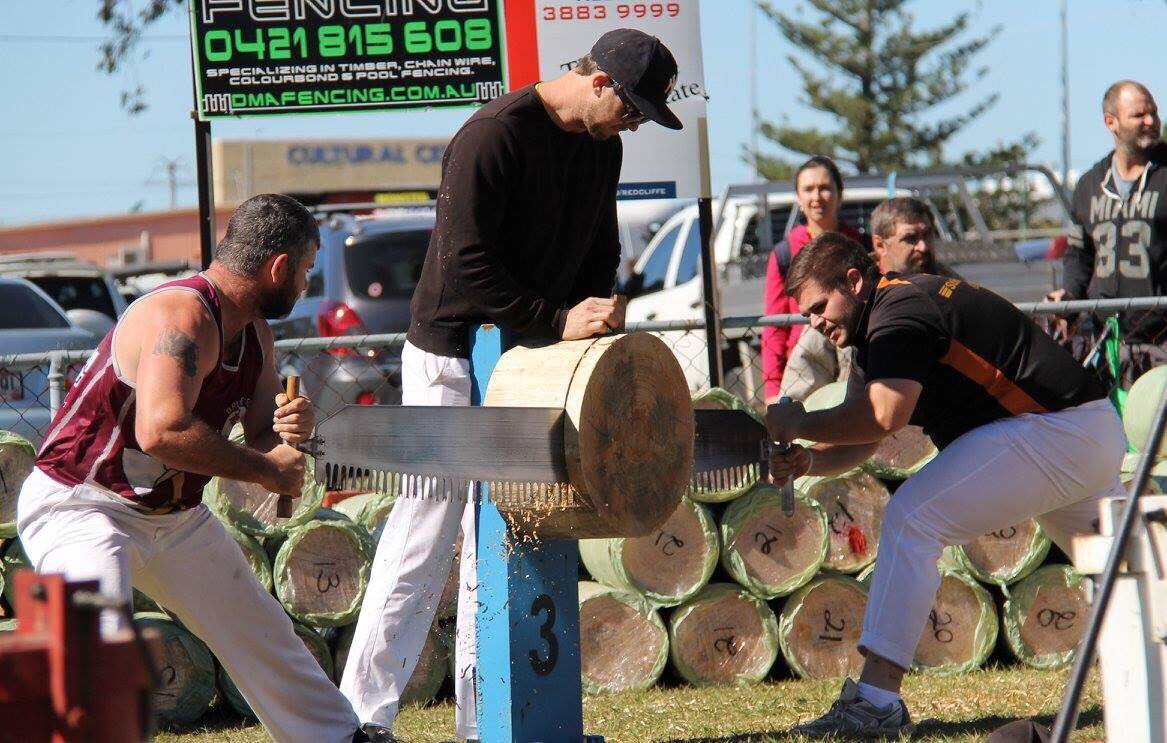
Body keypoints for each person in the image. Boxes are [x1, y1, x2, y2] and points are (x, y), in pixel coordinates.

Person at [340, 28, 683, 742]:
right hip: (451, 351)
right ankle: (360, 718)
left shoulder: (602, 147)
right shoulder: (493, 135)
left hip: (530, 356)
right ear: (598, 81)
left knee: (507, 530)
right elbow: (466, 262)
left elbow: (600, 248)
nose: (633, 126)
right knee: (426, 529)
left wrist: (595, 311)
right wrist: (556, 318)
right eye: (631, 109)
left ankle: (485, 720)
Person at [17, 194, 363, 743]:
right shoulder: (181, 316)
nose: (304, 284)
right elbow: (162, 430)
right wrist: (267, 471)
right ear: (278, 267)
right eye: (305, 270)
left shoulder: (255, 333)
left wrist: (289, 430)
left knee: (261, 632)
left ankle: (340, 738)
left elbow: (263, 432)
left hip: (173, 517)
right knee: (102, 641)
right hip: (80, 505)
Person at [766, 231, 1125, 739]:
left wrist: (798, 421)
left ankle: (876, 702)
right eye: (806, 315)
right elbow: (867, 438)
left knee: (912, 519)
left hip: (1057, 431)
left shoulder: (898, 314)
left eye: (820, 307)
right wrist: (808, 460)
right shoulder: (881, 323)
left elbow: (885, 415)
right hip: (1081, 431)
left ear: (854, 281)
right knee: (1128, 568)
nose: (815, 323)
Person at [1047, 80, 1167, 385]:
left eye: (1154, 112)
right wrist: (1068, 295)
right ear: (1110, 122)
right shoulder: (1089, 185)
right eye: (1139, 115)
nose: (1151, 121)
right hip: (1107, 344)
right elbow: (1078, 254)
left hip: (1162, 342)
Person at [779, 196, 955, 402]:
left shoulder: (949, 286)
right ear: (880, 244)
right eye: (910, 238)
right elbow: (800, 386)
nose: (923, 247)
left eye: (928, 234)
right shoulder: (838, 301)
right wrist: (792, 415)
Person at [762, 155, 867, 403]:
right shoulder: (784, 253)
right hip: (804, 374)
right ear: (798, 197)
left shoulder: (862, 246)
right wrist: (772, 389)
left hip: (858, 362)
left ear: (840, 194)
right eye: (808, 189)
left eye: (825, 188)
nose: (817, 197)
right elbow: (774, 327)